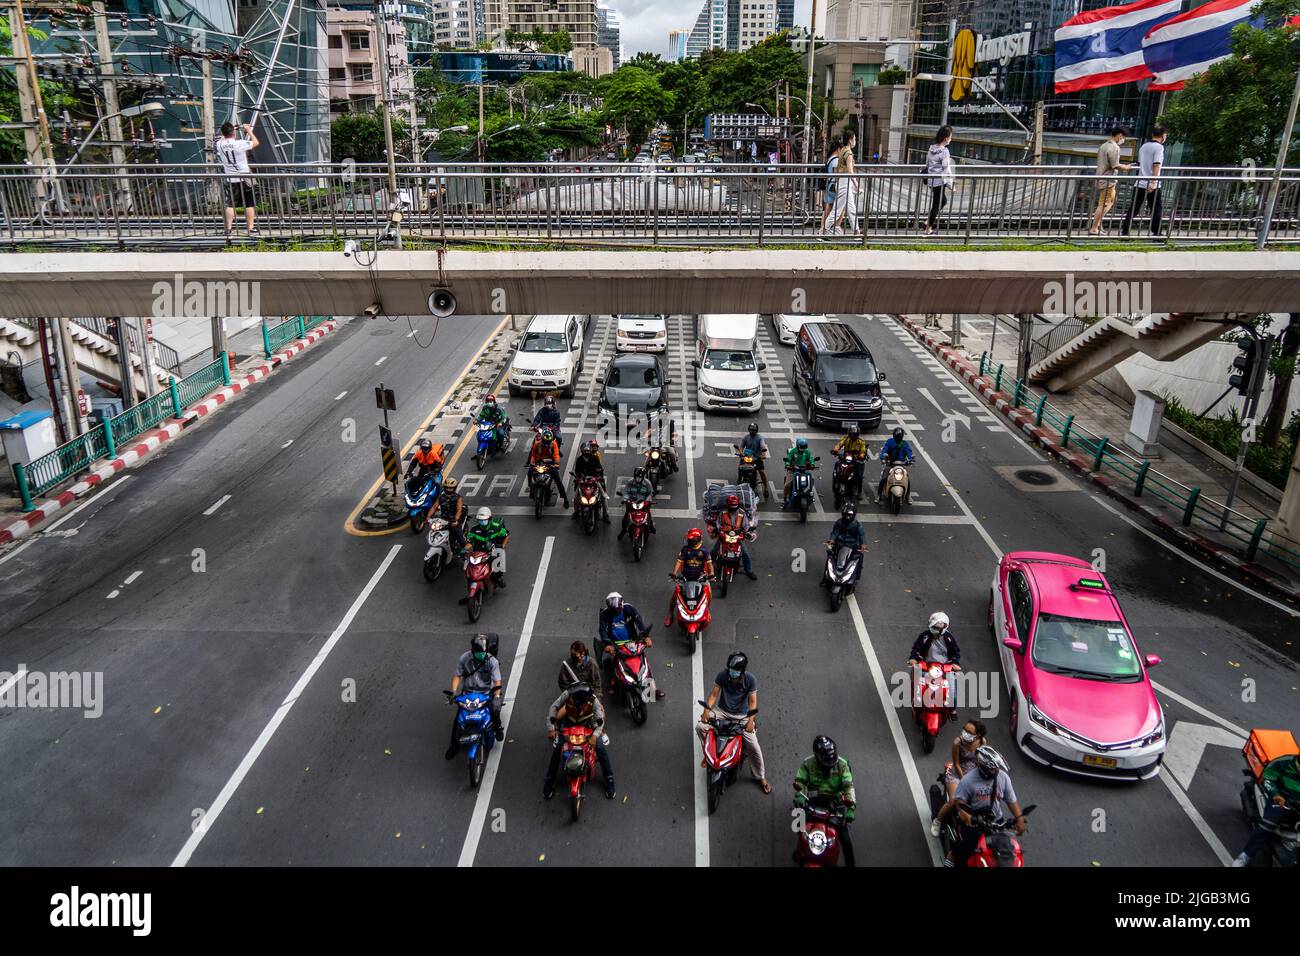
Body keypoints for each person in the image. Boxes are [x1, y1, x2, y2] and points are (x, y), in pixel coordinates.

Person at [934, 746, 1028, 867]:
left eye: (997, 768)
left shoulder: (1003, 777)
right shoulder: (968, 781)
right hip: (974, 821)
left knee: (1007, 853)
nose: (996, 771)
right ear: (983, 768)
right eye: (993, 769)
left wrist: (1019, 818)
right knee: (966, 848)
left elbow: (1011, 801)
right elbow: (959, 804)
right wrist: (966, 816)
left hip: (995, 821)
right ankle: (951, 857)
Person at [698, 652, 771, 793]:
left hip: (742, 716)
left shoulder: (750, 680)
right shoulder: (722, 675)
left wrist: (750, 720)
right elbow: (714, 695)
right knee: (700, 727)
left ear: (742, 671)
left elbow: (753, 702)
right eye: (731, 669)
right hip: (722, 711)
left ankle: (760, 776)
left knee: (753, 746)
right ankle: (708, 755)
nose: (732, 672)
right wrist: (707, 710)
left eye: (736, 671)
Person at [793, 735, 857, 866]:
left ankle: (851, 864)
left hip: (835, 802)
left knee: (845, 838)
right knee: (798, 823)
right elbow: (800, 781)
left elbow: (848, 787)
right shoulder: (808, 763)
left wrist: (850, 808)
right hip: (814, 799)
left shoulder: (842, 765)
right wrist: (799, 794)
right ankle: (799, 850)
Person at [544, 684, 616, 799]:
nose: (571, 699)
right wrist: (551, 728)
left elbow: (600, 721)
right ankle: (550, 779)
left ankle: (609, 778)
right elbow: (554, 707)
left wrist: (595, 736)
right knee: (558, 748)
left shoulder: (593, 700)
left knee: (601, 748)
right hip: (569, 723)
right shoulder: (568, 693)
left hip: (588, 724)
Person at [1232, 747, 1300, 865]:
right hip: (1282, 800)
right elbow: (1268, 778)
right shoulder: (1284, 762)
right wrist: (1275, 794)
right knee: (1267, 825)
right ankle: (1245, 856)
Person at [598, 592, 666, 699]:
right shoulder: (604, 614)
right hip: (614, 644)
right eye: (615, 610)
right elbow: (602, 630)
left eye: (619, 609)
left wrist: (645, 637)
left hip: (631, 641)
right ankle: (613, 681)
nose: (618, 612)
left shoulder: (629, 609)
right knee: (608, 660)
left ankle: (652, 690)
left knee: (643, 661)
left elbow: (639, 622)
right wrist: (607, 644)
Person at [446, 634, 504, 759]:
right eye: (478, 652)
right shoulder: (464, 658)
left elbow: (497, 681)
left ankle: (498, 728)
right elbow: (457, 675)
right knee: (457, 721)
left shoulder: (492, 661)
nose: (481, 655)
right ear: (472, 650)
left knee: (494, 711)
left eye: (483, 652)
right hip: (467, 694)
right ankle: (453, 746)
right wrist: (454, 692)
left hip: (484, 695)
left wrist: (497, 696)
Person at [935, 719, 989, 816]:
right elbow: (956, 764)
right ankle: (938, 821)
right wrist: (965, 780)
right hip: (957, 774)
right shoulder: (957, 742)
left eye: (969, 732)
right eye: (965, 730)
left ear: (978, 736)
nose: (965, 733)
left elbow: (981, 760)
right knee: (953, 801)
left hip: (974, 774)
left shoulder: (982, 741)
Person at [216, 121, 259, 240]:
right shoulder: (239, 143)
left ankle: (228, 228)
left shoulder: (219, 144)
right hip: (244, 176)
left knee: (231, 204)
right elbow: (256, 142)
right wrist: (248, 130)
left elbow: (222, 137)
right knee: (249, 203)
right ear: (233, 132)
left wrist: (230, 129)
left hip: (231, 177)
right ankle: (250, 228)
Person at [1122, 126, 1167, 238]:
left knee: (1134, 208)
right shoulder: (1159, 148)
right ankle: (1156, 232)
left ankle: (1125, 231)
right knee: (1156, 209)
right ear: (1163, 136)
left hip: (1140, 182)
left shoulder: (1144, 146)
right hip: (1152, 184)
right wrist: (1153, 182)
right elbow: (1156, 164)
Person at [1089, 126, 1133, 236]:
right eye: (1123, 137)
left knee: (1110, 201)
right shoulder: (1114, 148)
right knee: (1105, 204)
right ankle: (1094, 228)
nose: (1123, 140)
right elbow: (1115, 165)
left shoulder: (1104, 145)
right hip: (1108, 179)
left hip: (1103, 177)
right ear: (1119, 135)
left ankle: (1097, 225)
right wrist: (1126, 167)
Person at [666, 528, 714, 625]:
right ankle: (670, 614)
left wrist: (711, 574)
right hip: (685, 577)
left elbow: (709, 564)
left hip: (700, 577)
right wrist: (675, 573)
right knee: (676, 595)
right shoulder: (685, 549)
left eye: (690, 539)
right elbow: (679, 561)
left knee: (708, 593)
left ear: (697, 540)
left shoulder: (704, 551)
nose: (688, 541)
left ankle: (707, 610)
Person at [708, 492, 757, 580]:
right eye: (731, 508)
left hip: (737, 537)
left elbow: (746, 526)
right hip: (724, 536)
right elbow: (718, 524)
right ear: (728, 506)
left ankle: (749, 570)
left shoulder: (742, 513)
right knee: (713, 552)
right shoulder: (722, 513)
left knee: (745, 554)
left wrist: (746, 533)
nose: (733, 510)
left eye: (735, 508)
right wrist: (718, 530)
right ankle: (708, 569)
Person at [463, 507, 509, 591]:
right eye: (480, 520)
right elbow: (469, 543)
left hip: (491, 552)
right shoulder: (474, 529)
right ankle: (469, 590)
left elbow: (506, 535)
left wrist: (503, 545)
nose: (482, 522)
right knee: (467, 568)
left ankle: (498, 578)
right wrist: (463, 550)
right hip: (477, 554)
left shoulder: (496, 527)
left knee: (496, 564)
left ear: (489, 519)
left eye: (484, 520)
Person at [527, 427, 570, 509]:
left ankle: (565, 498)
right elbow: (533, 455)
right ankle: (531, 488)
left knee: (558, 481)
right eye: (545, 441)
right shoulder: (537, 444)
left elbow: (556, 455)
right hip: (539, 463)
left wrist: (556, 464)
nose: (546, 443)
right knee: (529, 472)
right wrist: (532, 463)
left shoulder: (554, 444)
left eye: (548, 442)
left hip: (550, 464)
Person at [824, 502, 867, 584]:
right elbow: (834, 532)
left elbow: (862, 535)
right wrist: (832, 539)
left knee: (859, 558)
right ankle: (825, 578)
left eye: (849, 515)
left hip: (852, 546)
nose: (847, 517)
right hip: (839, 544)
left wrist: (863, 545)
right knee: (830, 557)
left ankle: (857, 577)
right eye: (846, 514)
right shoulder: (839, 522)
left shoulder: (857, 525)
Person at [924, 125, 955, 236]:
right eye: (951, 137)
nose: (951, 139)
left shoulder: (932, 148)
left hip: (931, 180)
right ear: (946, 138)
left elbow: (927, 164)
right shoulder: (944, 151)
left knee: (942, 201)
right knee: (937, 205)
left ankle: (928, 222)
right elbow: (947, 169)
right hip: (939, 182)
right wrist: (951, 184)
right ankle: (928, 229)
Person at [571, 439, 610, 524]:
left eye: (588, 450)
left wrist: (599, 477)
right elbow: (577, 470)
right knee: (576, 496)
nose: (587, 452)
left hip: (594, 480)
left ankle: (606, 514)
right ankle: (576, 511)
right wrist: (578, 478)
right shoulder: (579, 460)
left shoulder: (595, 458)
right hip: (583, 481)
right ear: (582, 451)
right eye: (585, 451)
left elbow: (599, 468)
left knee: (603, 496)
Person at [830, 131, 858, 234]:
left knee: (851, 209)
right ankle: (824, 230)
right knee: (837, 211)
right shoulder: (848, 153)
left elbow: (838, 168)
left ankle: (856, 231)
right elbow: (850, 171)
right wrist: (856, 184)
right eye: (854, 139)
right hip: (845, 183)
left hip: (843, 182)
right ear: (850, 140)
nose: (855, 141)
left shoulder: (842, 151)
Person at [618, 466, 658, 539]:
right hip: (632, 502)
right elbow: (626, 492)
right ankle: (623, 530)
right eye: (637, 477)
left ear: (643, 477)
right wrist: (625, 499)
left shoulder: (647, 483)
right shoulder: (630, 482)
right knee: (626, 516)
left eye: (640, 477)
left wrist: (648, 500)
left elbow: (650, 493)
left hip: (643, 502)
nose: (638, 479)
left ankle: (651, 525)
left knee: (648, 513)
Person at [876, 427, 915, 499]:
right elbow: (884, 451)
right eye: (897, 437)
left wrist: (910, 459)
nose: (898, 438)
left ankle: (908, 495)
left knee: (907, 479)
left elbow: (909, 452)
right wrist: (883, 458)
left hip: (901, 465)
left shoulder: (904, 444)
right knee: (884, 478)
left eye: (899, 437)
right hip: (890, 464)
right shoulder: (890, 442)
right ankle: (879, 494)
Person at [832, 424, 869, 498]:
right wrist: (835, 450)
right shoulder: (846, 439)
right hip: (846, 457)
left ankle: (859, 492)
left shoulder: (861, 442)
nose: (853, 436)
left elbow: (863, 451)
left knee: (859, 476)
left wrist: (861, 456)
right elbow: (839, 445)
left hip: (857, 460)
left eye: (854, 434)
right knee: (837, 465)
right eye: (852, 434)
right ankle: (835, 481)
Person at [781, 437, 817, 509]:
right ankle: (785, 499)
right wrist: (787, 465)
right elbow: (788, 459)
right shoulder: (793, 451)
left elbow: (811, 459)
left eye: (804, 446)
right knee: (787, 485)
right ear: (797, 446)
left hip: (804, 470)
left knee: (811, 479)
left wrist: (812, 464)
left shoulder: (807, 452)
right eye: (802, 446)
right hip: (793, 470)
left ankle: (809, 495)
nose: (803, 448)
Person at [437, 475, 468, 555]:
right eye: (447, 487)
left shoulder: (458, 498)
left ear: (454, 488)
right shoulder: (441, 497)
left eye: (450, 488)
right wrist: (428, 517)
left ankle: (465, 548)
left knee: (457, 531)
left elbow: (459, 510)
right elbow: (434, 507)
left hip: (454, 520)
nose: (448, 489)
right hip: (444, 520)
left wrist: (455, 519)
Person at [739, 422, 770, 500]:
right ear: (749, 430)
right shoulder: (746, 437)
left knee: (762, 472)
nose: (752, 432)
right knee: (740, 467)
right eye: (751, 430)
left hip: (756, 458)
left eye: (754, 430)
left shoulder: (760, 438)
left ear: (756, 431)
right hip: (747, 457)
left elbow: (763, 446)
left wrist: (763, 454)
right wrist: (740, 453)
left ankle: (766, 488)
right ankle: (739, 480)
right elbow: (741, 447)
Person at [819, 135, 843, 234]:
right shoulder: (836, 160)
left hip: (829, 186)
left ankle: (822, 228)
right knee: (840, 208)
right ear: (838, 149)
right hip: (834, 186)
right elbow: (837, 174)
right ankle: (834, 228)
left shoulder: (830, 159)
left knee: (828, 208)